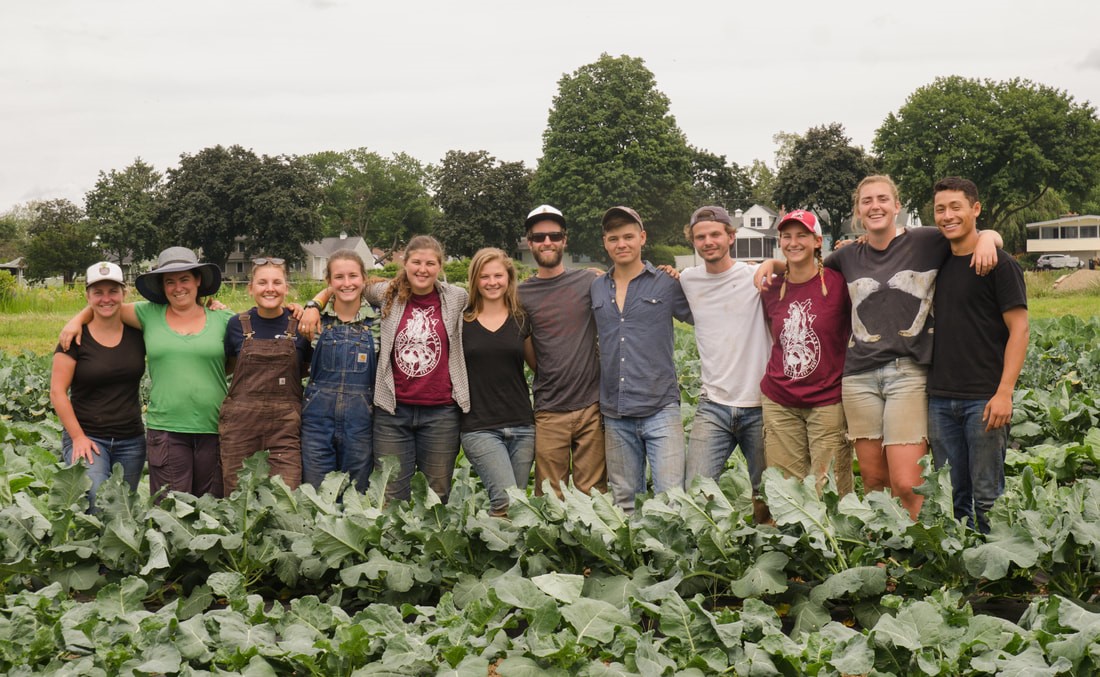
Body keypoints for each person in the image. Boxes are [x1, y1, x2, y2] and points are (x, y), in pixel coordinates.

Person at [754, 176, 1001, 519]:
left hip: (908, 372)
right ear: (858, 210)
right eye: (867, 201)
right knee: (872, 479)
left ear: (897, 206)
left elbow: (968, 233)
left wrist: (990, 237)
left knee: (905, 481)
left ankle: (918, 551)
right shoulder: (848, 256)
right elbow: (809, 265)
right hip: (859, 377)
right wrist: (773, 264)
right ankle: (886, 551)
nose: (875, 206)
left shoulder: (927, 241)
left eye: (883, 199)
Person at [301, 235, 469, 503]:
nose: (422, 269)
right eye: (416, 262)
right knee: (389, 494)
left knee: (436, 494)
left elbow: (489, 303)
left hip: (440, 413)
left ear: (440, 266)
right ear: (405, 263)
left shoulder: (456, 297)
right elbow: (347, 284)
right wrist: (313, 305)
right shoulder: (388, 293)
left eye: (430, 263)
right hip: (393, 411)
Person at [61, 246, 232, 500]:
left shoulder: (225, 320)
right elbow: (107, 304)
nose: (178, 287)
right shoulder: (148, 315)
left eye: (184, 279)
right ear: (162, 286)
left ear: (198, 280)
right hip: (166, 429)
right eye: (169, 281)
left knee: (212, 508)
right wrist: (76, 320)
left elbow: (240, 359)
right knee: (171, 512)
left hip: (213, 428)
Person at [927, 177, 1028, 532]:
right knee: (952, 495)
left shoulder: (999, 265)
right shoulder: (937, 260)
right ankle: (963, 569)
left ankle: (995, 571)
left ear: (976, 209)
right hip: (940, 399)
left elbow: (1020, 330)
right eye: (940, 209)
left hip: (984, 399)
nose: (947, 215)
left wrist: (1004, 393)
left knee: (987, 496)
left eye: (956, 207)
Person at [593, 206, 692, 511]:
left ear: (642, 238)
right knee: (625, 501)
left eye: (628, 236)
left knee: (671, 499)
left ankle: (671, 560)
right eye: (613, 238)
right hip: (616, 412)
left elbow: (708, 316)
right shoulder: (596, 287)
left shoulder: (666, 283)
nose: (621, 244)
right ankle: (634, 559)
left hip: (660, 408)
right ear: (605, 243)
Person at [677, 206, 771, 494]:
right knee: (696, 491)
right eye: (700, 236)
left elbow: (803, 269)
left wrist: (774, 265)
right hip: (713, 406)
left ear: (731, 237)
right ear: (693, 242)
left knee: (767, 493)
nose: (708, 242)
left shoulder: (757, 276)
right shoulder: (687, 280)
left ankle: (764, 538)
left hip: (761, 405)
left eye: (715, 234)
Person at [759, 210, 853, 495]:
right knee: (787, 490)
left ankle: (835, 539)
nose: (793, 242)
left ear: (817, 241)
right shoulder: (770, 288)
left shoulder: (839, 284)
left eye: (802, 235)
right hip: (780, 400)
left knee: (828, 487)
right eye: (786, 236)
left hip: (827, 400)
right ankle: (794, 541)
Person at [518, 205, 607, 499]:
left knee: (592, 496)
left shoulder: (589, 281)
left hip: (591, 406)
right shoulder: (520, 294)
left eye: (554, 235)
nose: (547, 242)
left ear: (564, 240)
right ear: (529, 243)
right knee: (550, 498)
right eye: (539, 236)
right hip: (549, 409)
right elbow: (528, 350)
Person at [50, 262, 146, 510]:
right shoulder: (74, 338)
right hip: (89, 437)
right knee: (97, 502)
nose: (106, 299)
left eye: (113, 291)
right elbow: (58, 392)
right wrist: (78, 437)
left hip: (132, 439)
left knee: (123, 509)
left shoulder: (139, 333)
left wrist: (210, 307)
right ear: (87, 296)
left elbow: (177, 316)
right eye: (98, 292)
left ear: (124, 294)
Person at [219, 257, 311, 493]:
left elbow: (307, 368)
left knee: (285, 497)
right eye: (262, 282)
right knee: (238, 498)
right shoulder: (236, 325)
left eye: (277, 282)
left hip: (285, 430)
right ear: (250, 288)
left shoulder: (300, 325)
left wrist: (313, 306)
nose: (270, 288)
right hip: (240, 429)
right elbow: (229, 366)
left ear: (286, 288)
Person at [460, 248, 536, 516]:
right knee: (504, 503)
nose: (492, 282)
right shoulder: (461, 320)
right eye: (484, 277)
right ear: (475, 280)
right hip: (479, 426)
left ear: (509, 277)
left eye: (498, 275)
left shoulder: (521, 318)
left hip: (522, 425)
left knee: (519, 507)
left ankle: (514, 556)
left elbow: (536, 365)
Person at [299, 249, 379, 490]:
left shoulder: (378, 320)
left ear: (364, 279)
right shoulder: (313, 320)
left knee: (357, 495)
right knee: (317, 493)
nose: (347, 283)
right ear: (329, 282)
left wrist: (314, 300)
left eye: (353, 276)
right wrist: (313, 305)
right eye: (339, 277)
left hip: (361, 421)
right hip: (316, 422)